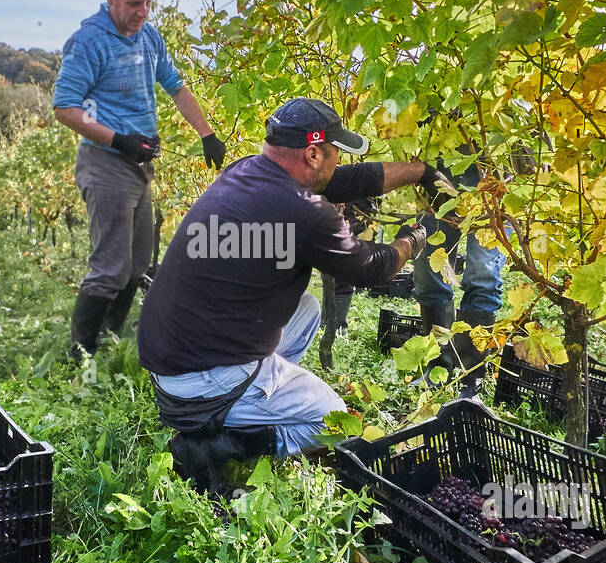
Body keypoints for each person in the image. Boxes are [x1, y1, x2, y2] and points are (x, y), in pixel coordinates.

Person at [137, 97, 444, 473]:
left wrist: (420, 171)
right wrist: (414, 238)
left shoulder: (244, 171)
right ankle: (224, 444)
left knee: (307, 309)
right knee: (335, 424)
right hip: (201, 383)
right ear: (313, 154)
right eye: (336, 152)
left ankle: (252, 403)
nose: (339, 162)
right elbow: (372, 268)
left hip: (172, 364)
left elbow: (346, 181)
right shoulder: (304, 212)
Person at [52, 0, 226, 360]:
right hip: (106, 162)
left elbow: (177, 87)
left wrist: (207, 134)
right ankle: (80, 353)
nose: (142, 12)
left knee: (137, 264)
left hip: (139, 163)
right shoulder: (89, 42)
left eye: (148, 2)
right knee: (110, 267)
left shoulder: (150, 37)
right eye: (134, 3)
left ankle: (110, 340)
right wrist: (119, 141)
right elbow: (65, 108)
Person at [414, 154, 507, 397]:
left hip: (491, 169)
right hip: (438, 170)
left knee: (483, 276)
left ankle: (471, 375)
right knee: (429, 274)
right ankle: (438, 366)